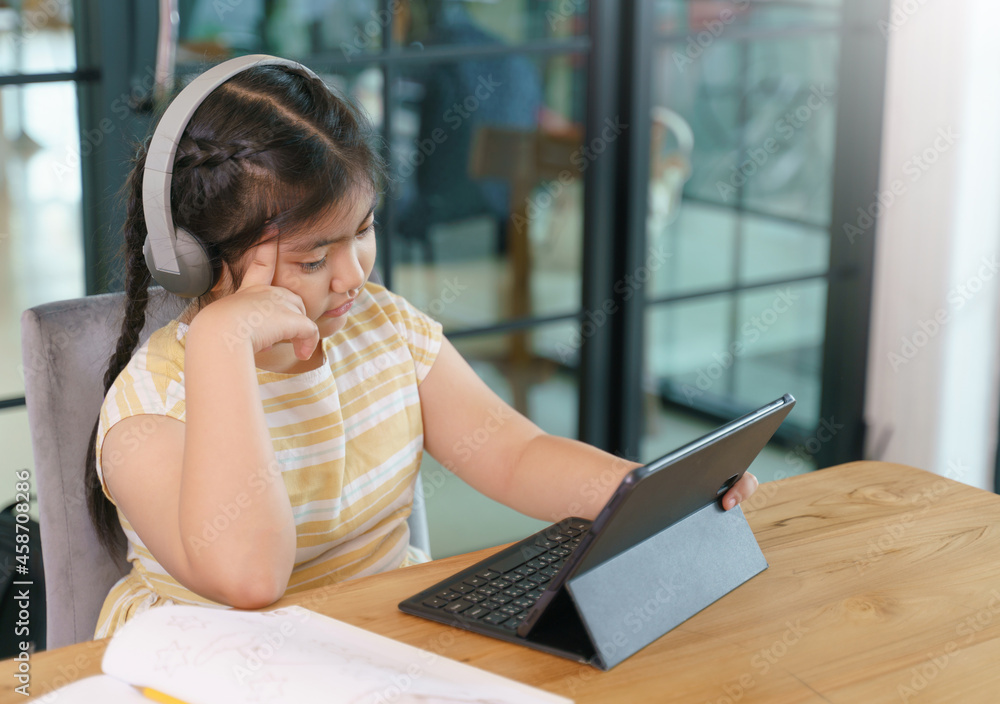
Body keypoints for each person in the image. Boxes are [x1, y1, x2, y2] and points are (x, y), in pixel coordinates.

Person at [84, 58, 759, 639]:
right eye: (315, 258)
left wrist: (655, 492)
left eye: (364, 229)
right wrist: (221, 345)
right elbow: (250, 578)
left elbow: (515, 454)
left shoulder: (381, 328)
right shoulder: (146, 412)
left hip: (377, 648)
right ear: (197, 262)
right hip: (207, 669)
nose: (355, 274)